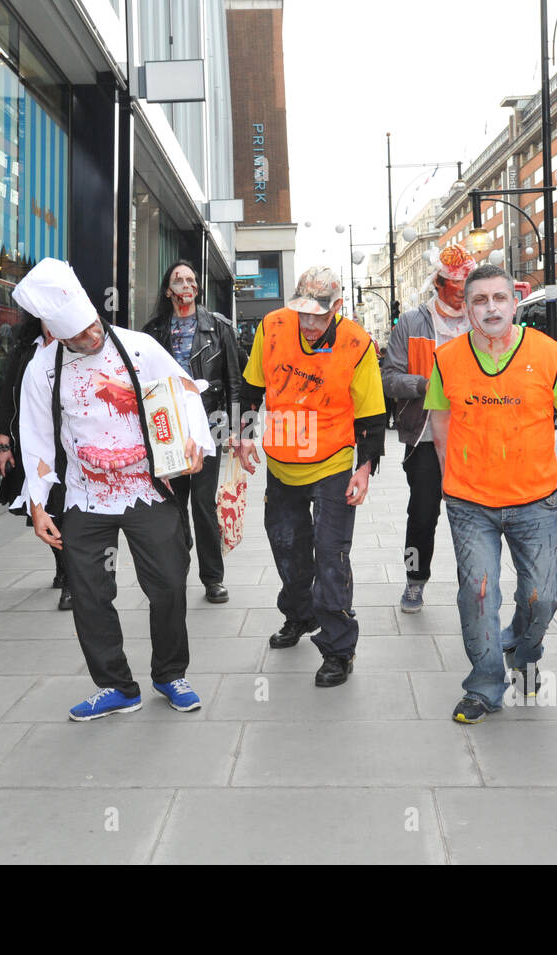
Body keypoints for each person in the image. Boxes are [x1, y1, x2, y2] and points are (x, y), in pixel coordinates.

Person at [14, 258, 215, 720]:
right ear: (54, 335)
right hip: (86, 493)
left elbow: (184, 392)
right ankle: (116, 686)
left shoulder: (140, 348)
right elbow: (37, 437)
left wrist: (195, 440)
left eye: (92, 327)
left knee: (167, 582)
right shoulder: (42, 370)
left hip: (147, 485)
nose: (91, 338)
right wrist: (39, 504)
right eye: (78, 336)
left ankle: (169, 672)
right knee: (87, 592)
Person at [426, 264, 557, 723]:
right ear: (466, 307)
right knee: (478, 592)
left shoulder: (546, 353)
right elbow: (441, 420)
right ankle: (484, 686)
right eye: (479, 300)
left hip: (534, 500)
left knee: (543, 595)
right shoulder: (447, 359)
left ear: (514, 304)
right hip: (469, 501)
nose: (491, 308)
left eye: (499, 298)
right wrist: (447, 478)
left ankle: (523, 647)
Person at [235, 266, 385, 688]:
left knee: (331, 555)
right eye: (302, 313)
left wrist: (366, 466)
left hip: (333, 462)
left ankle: (339, 648)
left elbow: (372, 413)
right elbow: (251, 388)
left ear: (337, 308)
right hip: (282, 463)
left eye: (318, 316)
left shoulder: (357, 344)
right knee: (288, 549)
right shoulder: (272, 327)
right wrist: (245, 436)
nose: (309, 323)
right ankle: (298, 614)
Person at [381, 243, 475, 613]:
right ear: (438, 283)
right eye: (455, 285)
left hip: (476, 436)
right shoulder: (411, 322)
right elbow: (389, 378)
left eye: (467, 284)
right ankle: (414, 580)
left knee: (477, 516)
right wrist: (425, 385)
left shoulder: (481, 318)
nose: (462, 293)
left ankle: (476, 583)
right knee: (422, 515)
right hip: (424, 435)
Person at [142, 260, 241, 604]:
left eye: (191, 280)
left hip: (208, 424)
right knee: (173, 503)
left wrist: (238, 429)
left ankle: (213, 578)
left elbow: (233, 381)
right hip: (168, 427)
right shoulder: (153, 331)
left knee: (203, 503)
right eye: (178, 280)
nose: (186, 284)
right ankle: (178, 566)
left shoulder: (217, 327)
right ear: (168, 291)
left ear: (197, 289)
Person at [0, 316, 70, 610]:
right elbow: (7, 398)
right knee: (45, 508)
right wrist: (3, 445)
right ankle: (63, 565)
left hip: (69, 445)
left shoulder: (76, 348)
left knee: (66, 508)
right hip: (34, 444)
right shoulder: (27, 350)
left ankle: (73, 578)